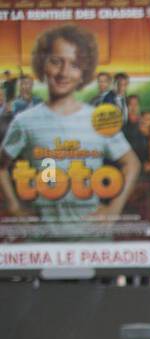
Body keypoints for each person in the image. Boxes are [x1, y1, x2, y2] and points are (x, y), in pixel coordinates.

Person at [0, 25, 140, 224]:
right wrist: (14, 207)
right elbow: (1, 166)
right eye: (56, 62)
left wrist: (114, 208)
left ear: (84, 72)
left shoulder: (98, 119)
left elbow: (131, 163)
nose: (64, 73)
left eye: (74, 65)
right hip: (43, 242)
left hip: (92, 241)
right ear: (42, 66)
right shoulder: (24, 121)